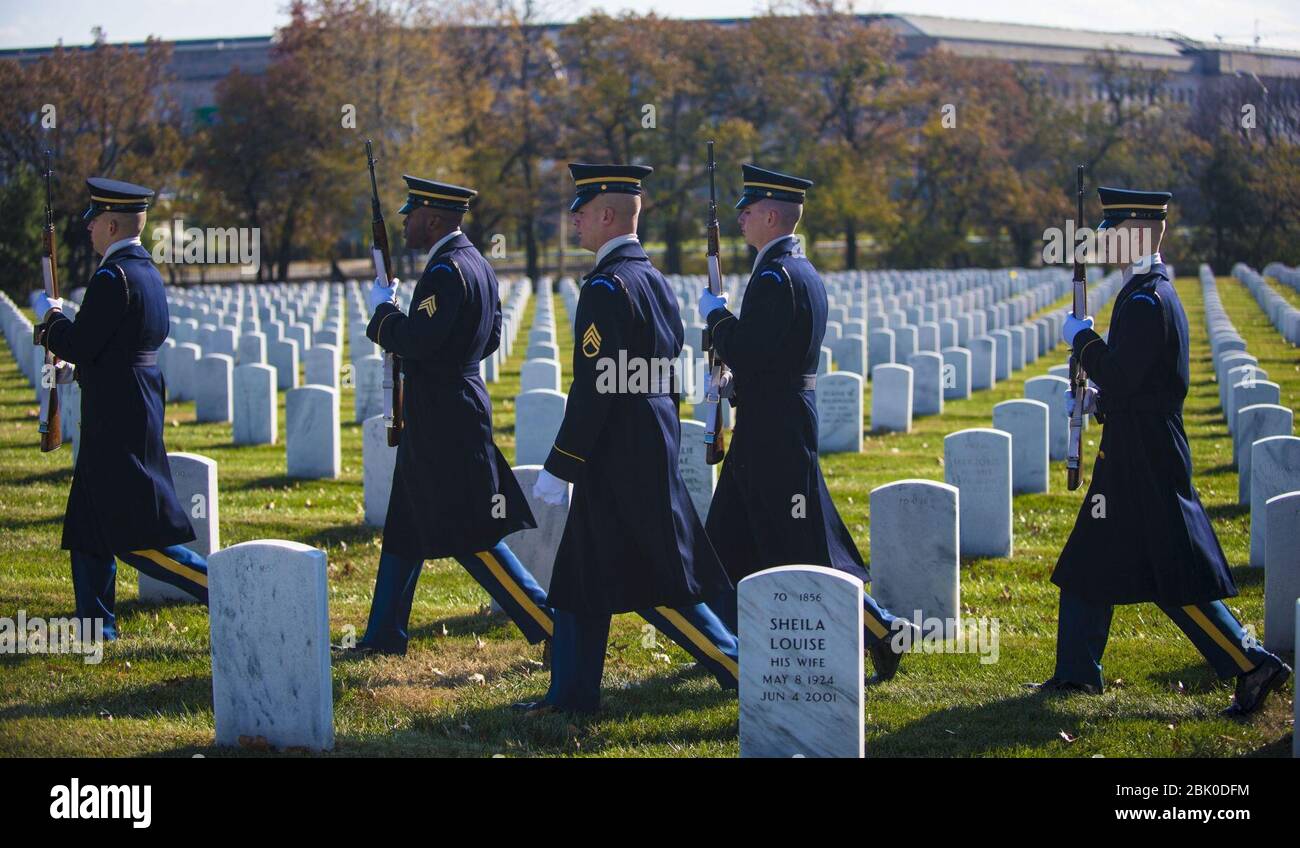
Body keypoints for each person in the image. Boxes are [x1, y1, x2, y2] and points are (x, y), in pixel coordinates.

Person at [1040, 186, 1291, 715]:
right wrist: (1097, 402)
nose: (1105, 244)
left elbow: (1126, 377)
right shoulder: (1146, 293)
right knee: (1091, 558)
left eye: (1114, 234)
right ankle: (1076, 673)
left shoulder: (1144, 301)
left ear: (1137, 233)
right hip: (1135, 446)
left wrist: (1083, 341)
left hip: (1144, 456)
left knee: (1173, 574)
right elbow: (1138, 386)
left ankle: (1252, 662)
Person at [518, 163, 739, 714]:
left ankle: (742, 666)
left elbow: (596, 387)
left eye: (582, 211)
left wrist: (560, 465)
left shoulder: (606, 286)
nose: (574, 220)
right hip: (646, 439)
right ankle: (570, 695)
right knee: (581, 572)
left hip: (619, 453)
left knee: (659, 577)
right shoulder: (652, 278)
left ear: (608, 215)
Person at [697, 165, 909, 681]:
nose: (741, 216)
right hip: (771, 421)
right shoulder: (796, 269)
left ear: (772, 215)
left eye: (749, 209)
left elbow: (750, 351)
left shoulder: (776, 277)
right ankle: (730, 647)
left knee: (802, 547)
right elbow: (772, 360)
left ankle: (882, 632)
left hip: (776, 429)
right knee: (726, 541)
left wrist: (718, 319)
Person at [353, 176, 550, 656]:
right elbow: (492, 338)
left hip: (445, 415)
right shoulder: (476, 263)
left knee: (472, 531)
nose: (404, 221)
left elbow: (418, 341)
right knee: (406, 524)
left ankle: (549, 620)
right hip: (452, 400)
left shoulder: (445, 271)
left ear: (435, 219)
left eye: (412, 214)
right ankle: (383, 635)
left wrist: (383, 315)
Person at [33, 178, 207, 641]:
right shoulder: (144, 270)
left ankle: (223, 587)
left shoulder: (114, 276)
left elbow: (83, 342)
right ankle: (95, 628)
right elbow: (116, 348)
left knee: (134, 536)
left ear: (111, 224)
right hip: (129, 400)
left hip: (117, 413)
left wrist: (51, 322)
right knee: (89, 527)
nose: (88, 230)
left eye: (94, 222)